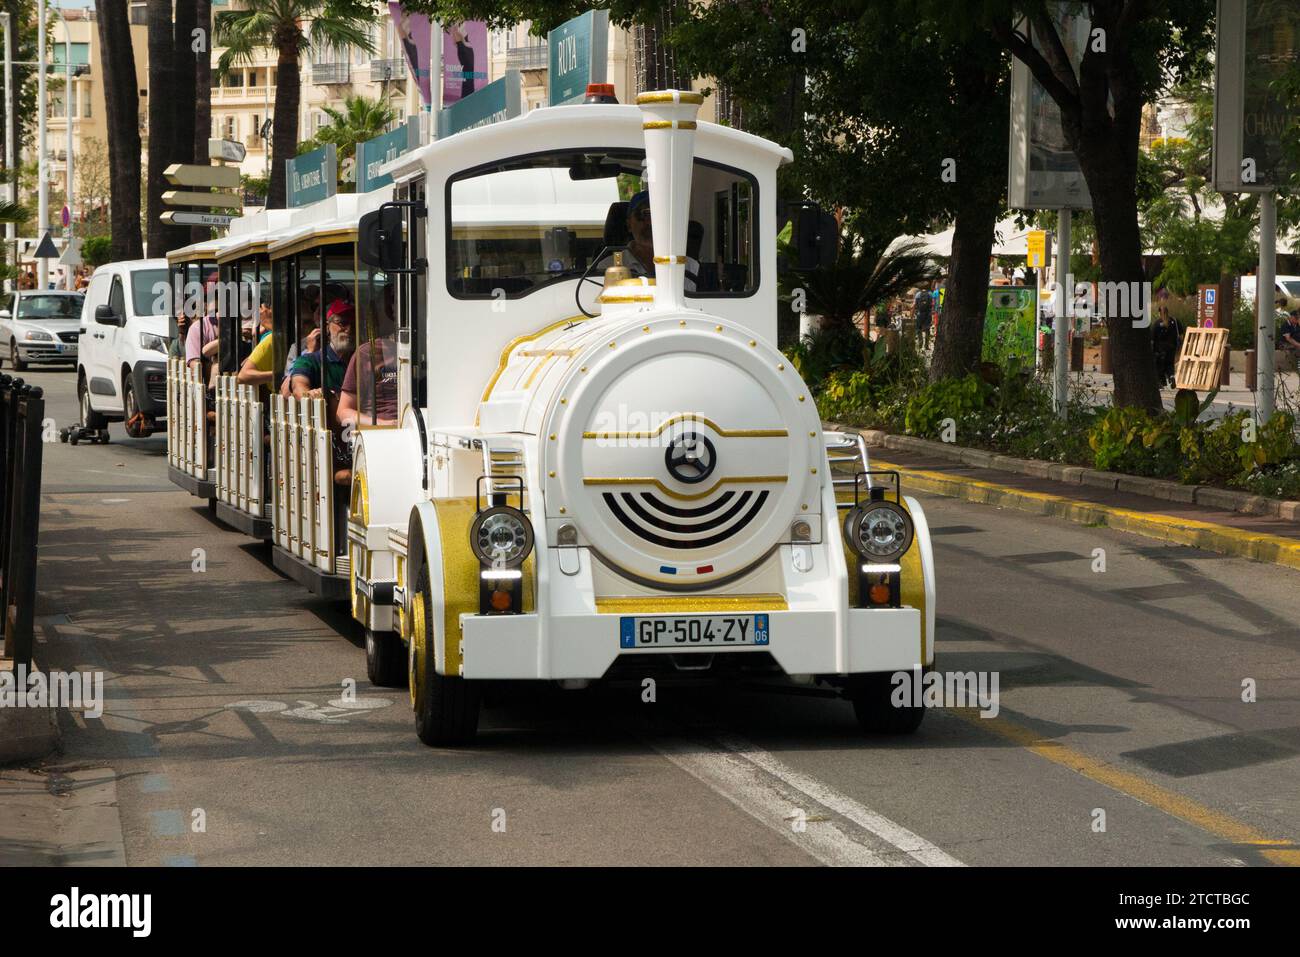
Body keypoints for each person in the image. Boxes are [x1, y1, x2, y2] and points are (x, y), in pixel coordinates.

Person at [603, 191, 698, 291]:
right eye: (641, 215)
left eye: (657, 216)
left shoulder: (691, 267)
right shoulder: (607, 267)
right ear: (629, 224)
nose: (649, 223)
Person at [289, 299, 354, 397]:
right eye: (342, 323)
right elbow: (299, 386)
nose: (349, 329)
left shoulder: (363, 360)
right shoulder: (310, 361)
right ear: (327, 327)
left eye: (354, 324)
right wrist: (309, 394)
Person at [1151, 305, 1182, 388]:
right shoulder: (1175, 321)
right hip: (1172, 348)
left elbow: (1153, 339)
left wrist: (1152, 350)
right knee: (1170, 364)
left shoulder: (1157, 324)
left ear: (1159, 313)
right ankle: (1171, 377)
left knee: (1159, 366)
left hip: (1160, 350)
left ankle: (1160, 384)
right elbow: (1181, 335)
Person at [912, 284, 932, 349]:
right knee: (927, 329)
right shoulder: (930, 294)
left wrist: (912, 315)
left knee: (919, 329)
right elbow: (932, 304)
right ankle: (926, 346)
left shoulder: (917, 294)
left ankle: (920, 345)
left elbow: (914, 305)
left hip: (920, 314)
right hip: (928, 314)